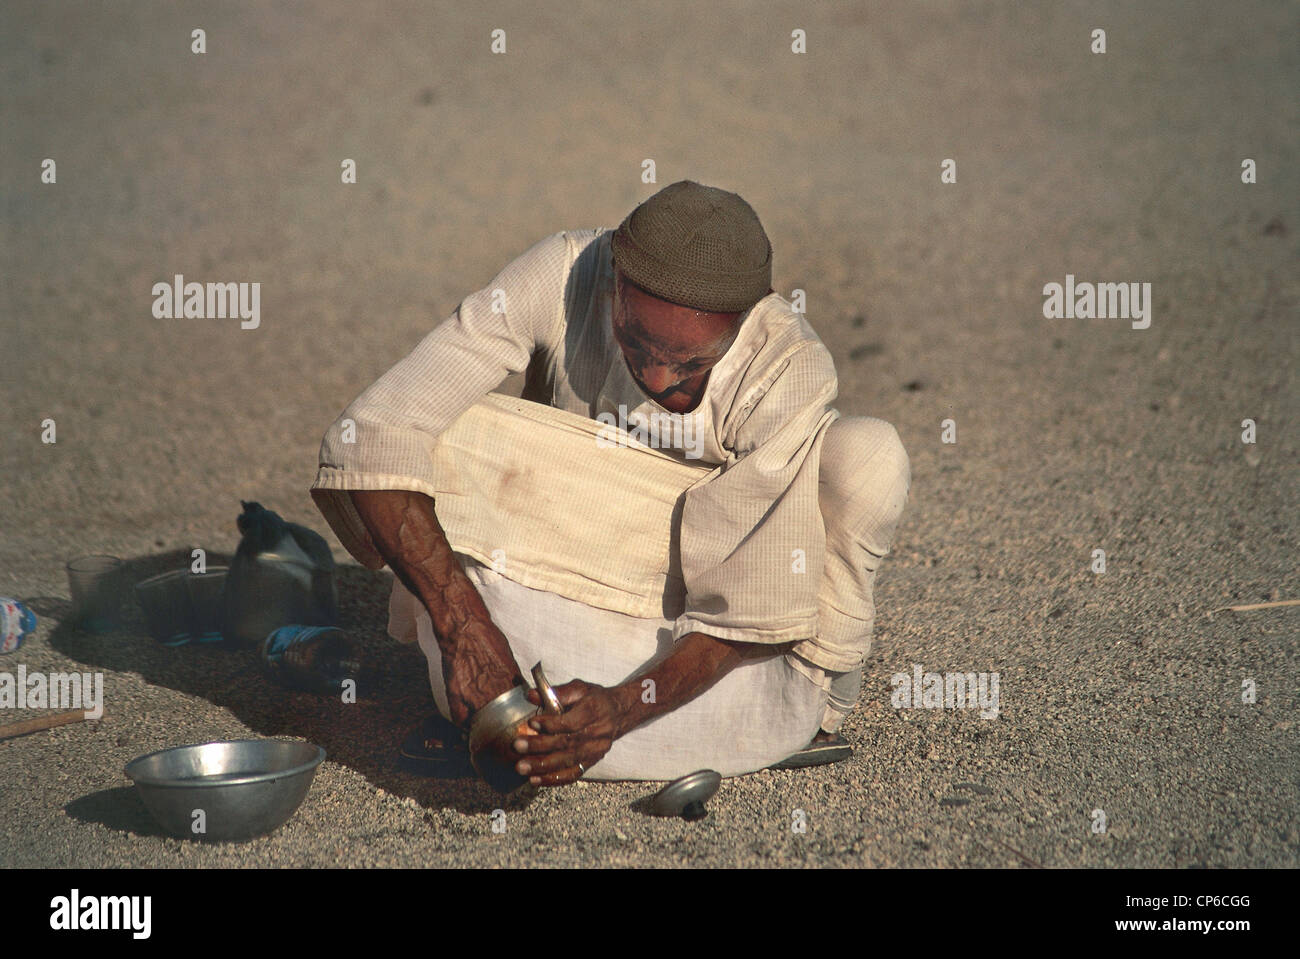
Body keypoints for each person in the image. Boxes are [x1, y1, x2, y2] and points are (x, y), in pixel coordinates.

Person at [310, 180, 910, 786]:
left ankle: (812, 711)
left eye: (690, 365)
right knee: (448, 424)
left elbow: (746, 606)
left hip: (711, 627)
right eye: (636, 341)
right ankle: (476, 692)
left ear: (747, 323)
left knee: (866, 456)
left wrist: (623, 710)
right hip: (555, 577)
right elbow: (376, 428)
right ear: (615, 277)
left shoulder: (785, 368)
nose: (654, 376)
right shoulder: (565, 273)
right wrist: (464, 626)